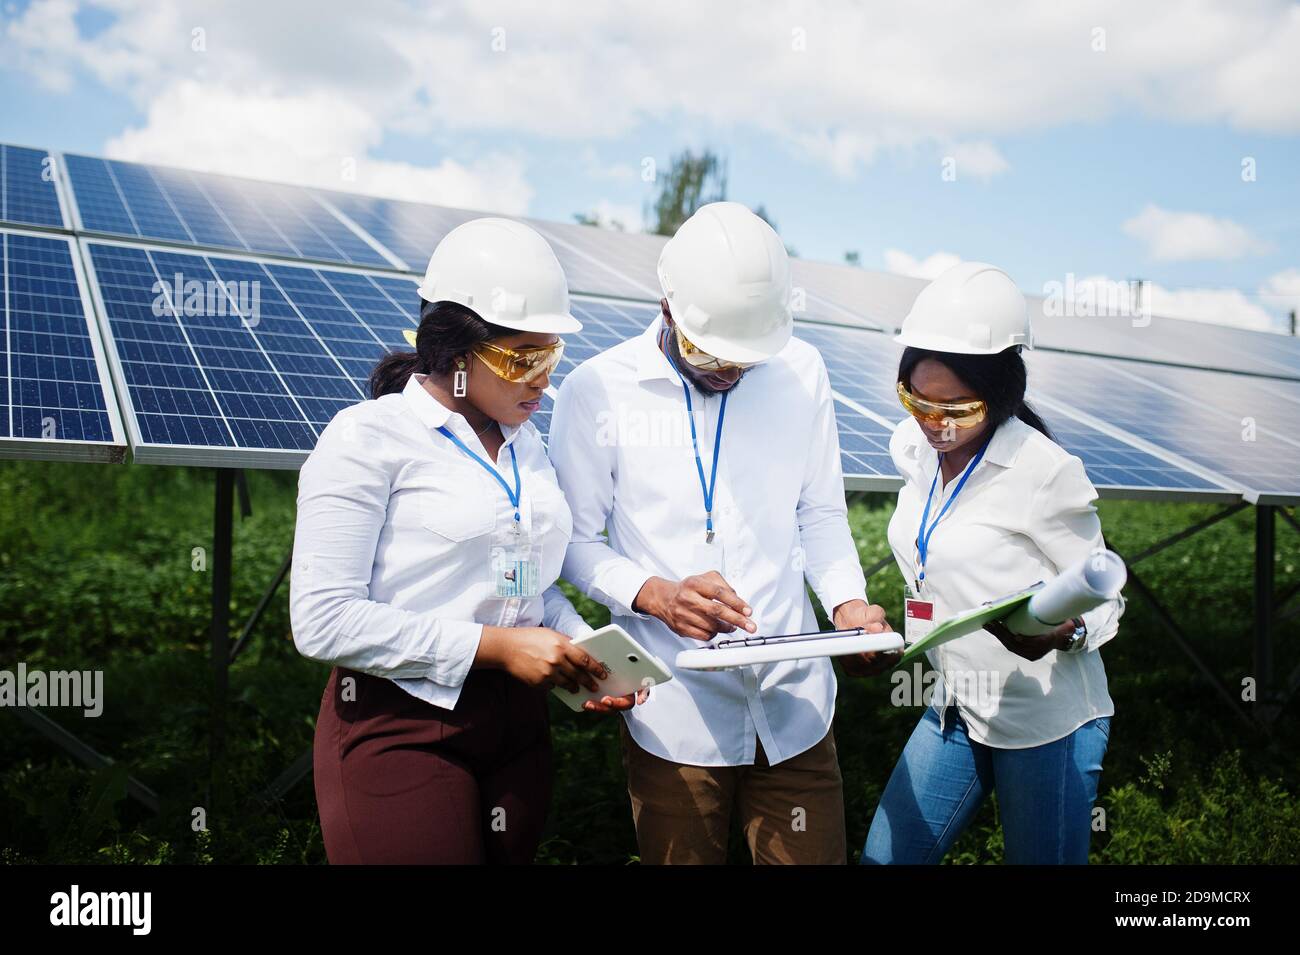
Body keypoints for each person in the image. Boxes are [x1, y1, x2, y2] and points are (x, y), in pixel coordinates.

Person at [549, 201, 893, 865]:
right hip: (675, 716)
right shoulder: (598, 391)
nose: (730, 371)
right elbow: (572, 541)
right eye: (712, 352)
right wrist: (654, 594)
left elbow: (819, 513)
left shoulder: (803, 373)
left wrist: (847, 604)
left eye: (748, 358)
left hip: (795, 704)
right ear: (668, 306)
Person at [290, 217, 642, 865]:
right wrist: (501, 647)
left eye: (551, 356)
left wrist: (576, 651)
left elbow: (521, 581)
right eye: (523, 358)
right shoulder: (366, 439)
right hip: (401, 723)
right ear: (456, 351)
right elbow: (322, 620)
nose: (543, 378)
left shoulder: (526, 444)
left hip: (517, 732)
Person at [860, 261, 1124, 865]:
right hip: (955, 703)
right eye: (916, 400)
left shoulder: (1044, 472)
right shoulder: (916, 450)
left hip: (1044, 722)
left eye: (956, 409)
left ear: (1003, 394)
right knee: (884, 860)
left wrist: (1070, 631)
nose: (934, 423)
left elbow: (1106, 592)